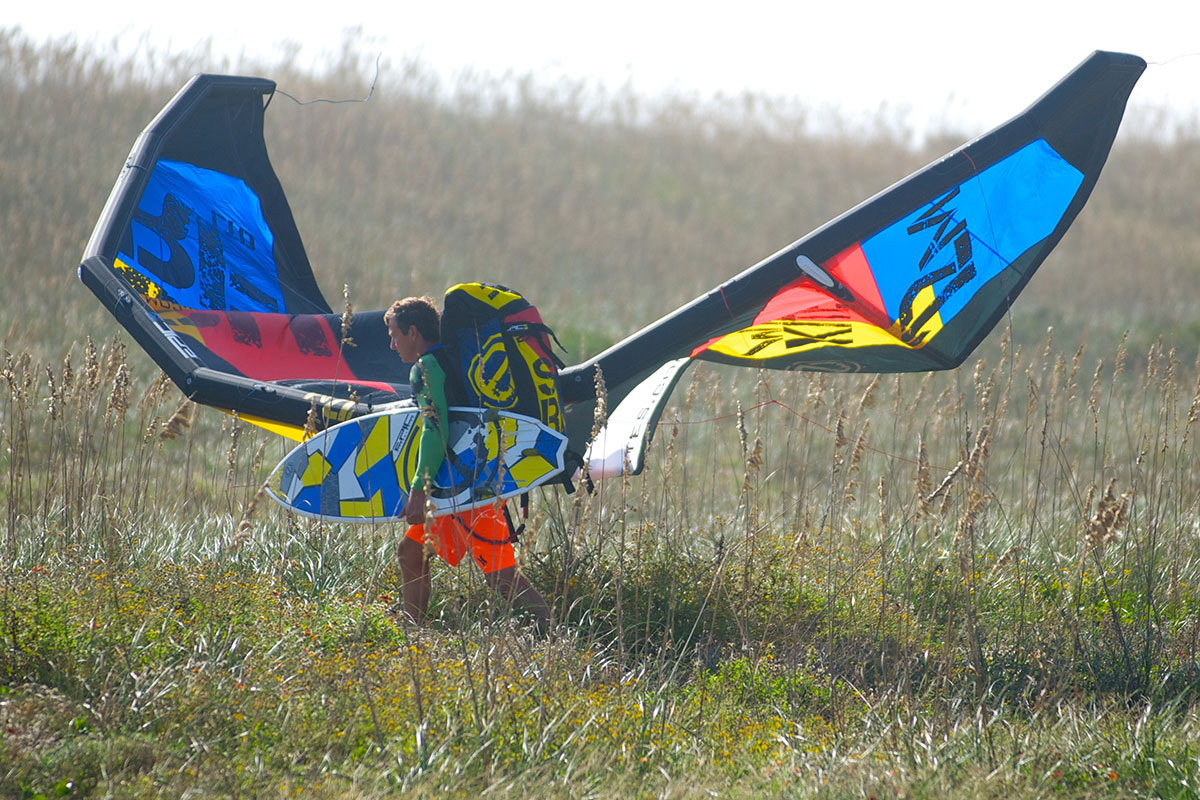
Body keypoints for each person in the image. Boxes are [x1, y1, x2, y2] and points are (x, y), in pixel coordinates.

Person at [384, 296, 551, 632]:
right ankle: (412, 632)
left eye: (394, 335)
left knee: (502, 578)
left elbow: (435, 428)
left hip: (468, 488)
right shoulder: (451, 359)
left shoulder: (425, 369)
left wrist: (419, 489)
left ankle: (553, 633)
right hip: (461, 485)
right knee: (411, 553)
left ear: (413, 332)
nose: (392, 344)